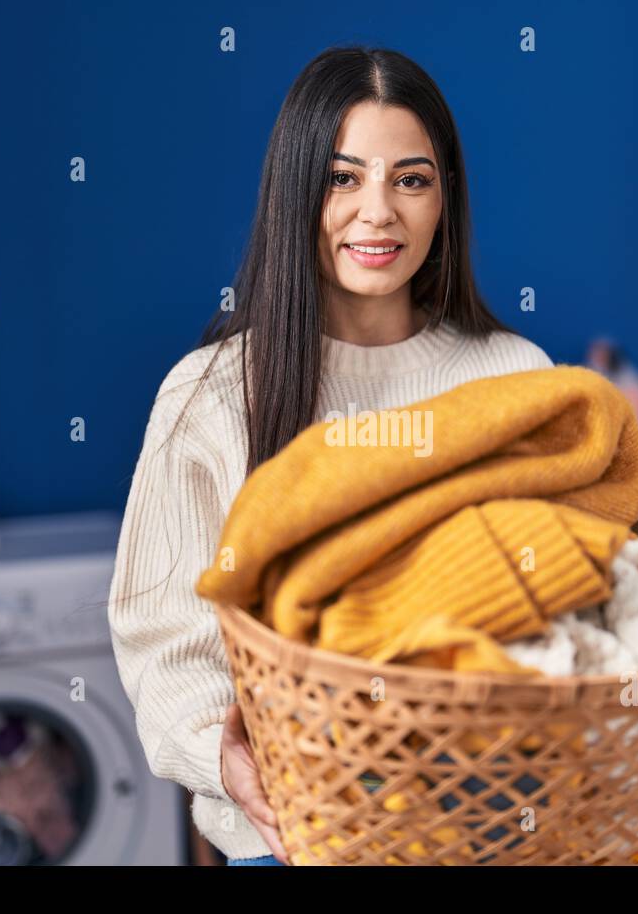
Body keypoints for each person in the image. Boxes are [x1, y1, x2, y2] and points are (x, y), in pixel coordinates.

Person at [108, 46, 552, 865]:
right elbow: (162, 637)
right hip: (289, 839)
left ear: (445, 199)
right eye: (343, 178)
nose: (377, 212)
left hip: (484, 833)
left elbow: (564, 605)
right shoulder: (208, 394)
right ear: (295, 194)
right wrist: (222, 757)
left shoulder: (517, 378)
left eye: (411, 180)